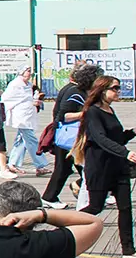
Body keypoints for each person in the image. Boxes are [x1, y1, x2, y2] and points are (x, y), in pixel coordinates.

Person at [73, 74, 136, 258]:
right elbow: (100, 139)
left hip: (117, 168)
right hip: (100, 168)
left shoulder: (109, 110)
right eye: (114, 88)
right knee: (95, 206)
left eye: (118, 88)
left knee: (125, 207)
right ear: (102, 90)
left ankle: (129, 250)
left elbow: (114, 139)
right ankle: (63, 229)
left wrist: (131, 133)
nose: (118, 91)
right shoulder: (92, 112)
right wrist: (126, 153)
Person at [40, 62, 98, 207]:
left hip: (73, 136)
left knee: (68, 168)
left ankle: (51, 196)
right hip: (68, 136)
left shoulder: (79, 91)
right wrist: (85, 113)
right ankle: (50, 197)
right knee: (69, 168)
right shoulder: (74, 92)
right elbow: (62, 115)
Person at [3, 67, 42, 172]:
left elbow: (28, 98)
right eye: (28, 71)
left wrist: (35, 102)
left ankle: (13, 163)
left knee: (21, 140)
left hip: (28, 115)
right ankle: (40, 164)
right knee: (31, 139)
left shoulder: (29, 85)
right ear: (21, 72)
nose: (30, 73)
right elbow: (8, 99)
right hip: (20, 117)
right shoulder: (15, 84)